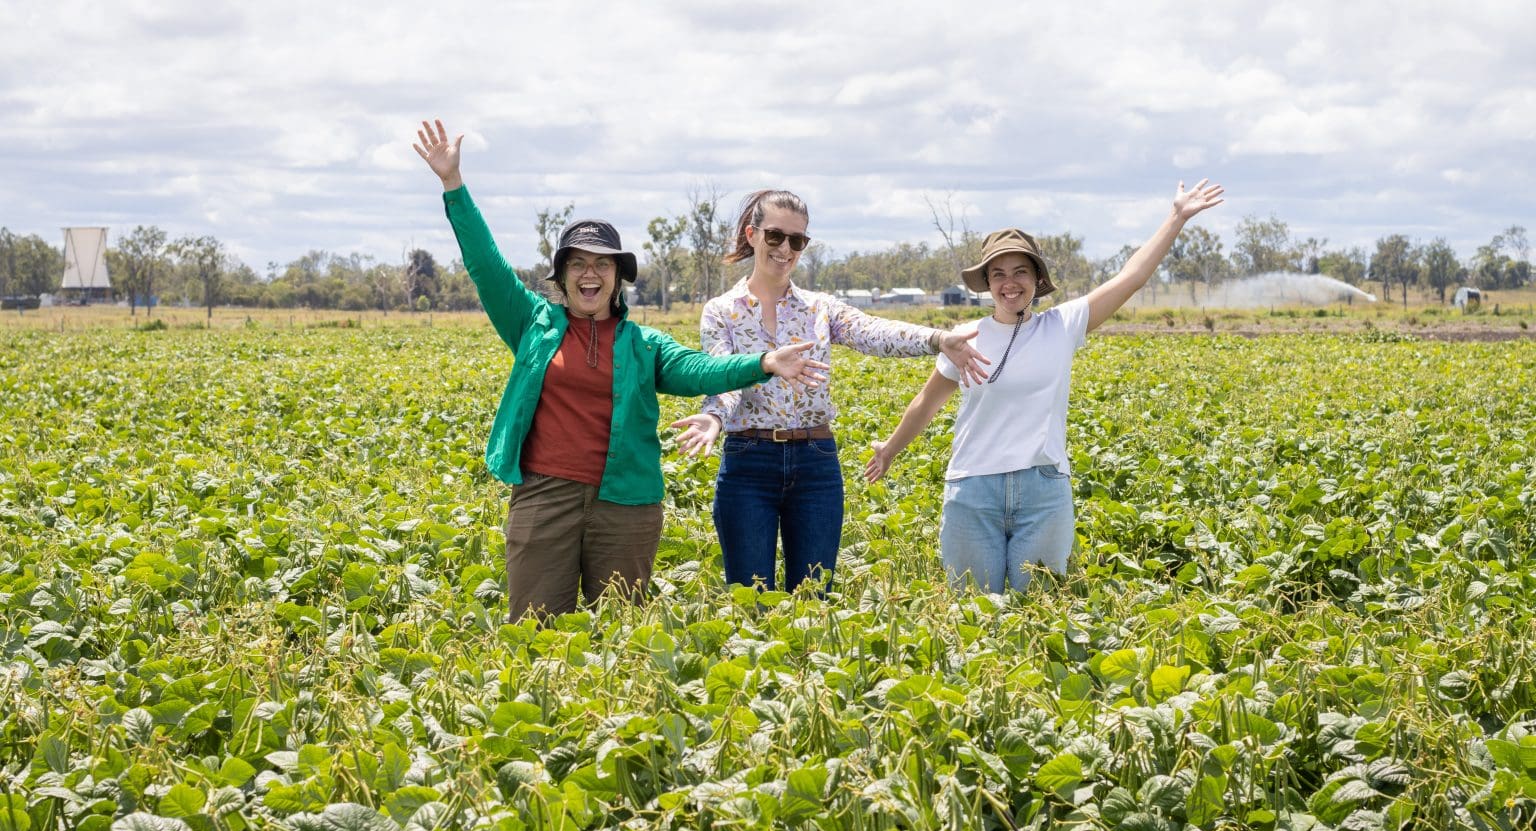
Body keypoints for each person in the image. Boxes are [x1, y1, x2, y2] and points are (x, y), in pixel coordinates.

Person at [413, 121, 829, 619]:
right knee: (535, 629)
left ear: (617, 278)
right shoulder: (532, 322)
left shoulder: (642, 344)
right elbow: (486, 264)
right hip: (545, 497)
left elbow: (699, 370)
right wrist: (453, 186)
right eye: (578, 263)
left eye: (603, 264)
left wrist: (762, 362)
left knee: (617, 632)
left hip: (627, 505)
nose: (590, 273)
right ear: (563, 273)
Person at [864, 180, 1226, 594]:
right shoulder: (963, 337)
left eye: (1020, 271)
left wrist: (1176, 217)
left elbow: (1132, 277)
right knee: (973, 613)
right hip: (973, 490)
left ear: (1038, 278)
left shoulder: (1062, 326)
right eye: (998, 274)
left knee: (1038, 613)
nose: (1009, 283)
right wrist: (889, 450)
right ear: (986, 283)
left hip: (1043, 491)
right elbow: (926, 403)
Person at [671, 189, 991, 594]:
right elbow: (724, 374)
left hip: (815, 461)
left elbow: (874, 332)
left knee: (814, 595)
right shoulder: (722, 310)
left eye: (797, 240)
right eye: (775, 236)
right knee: (750, 596)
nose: (785, 248)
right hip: (748, 461)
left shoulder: (819, 308)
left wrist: (937, 338)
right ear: (752, 235)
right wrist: (715, 416)